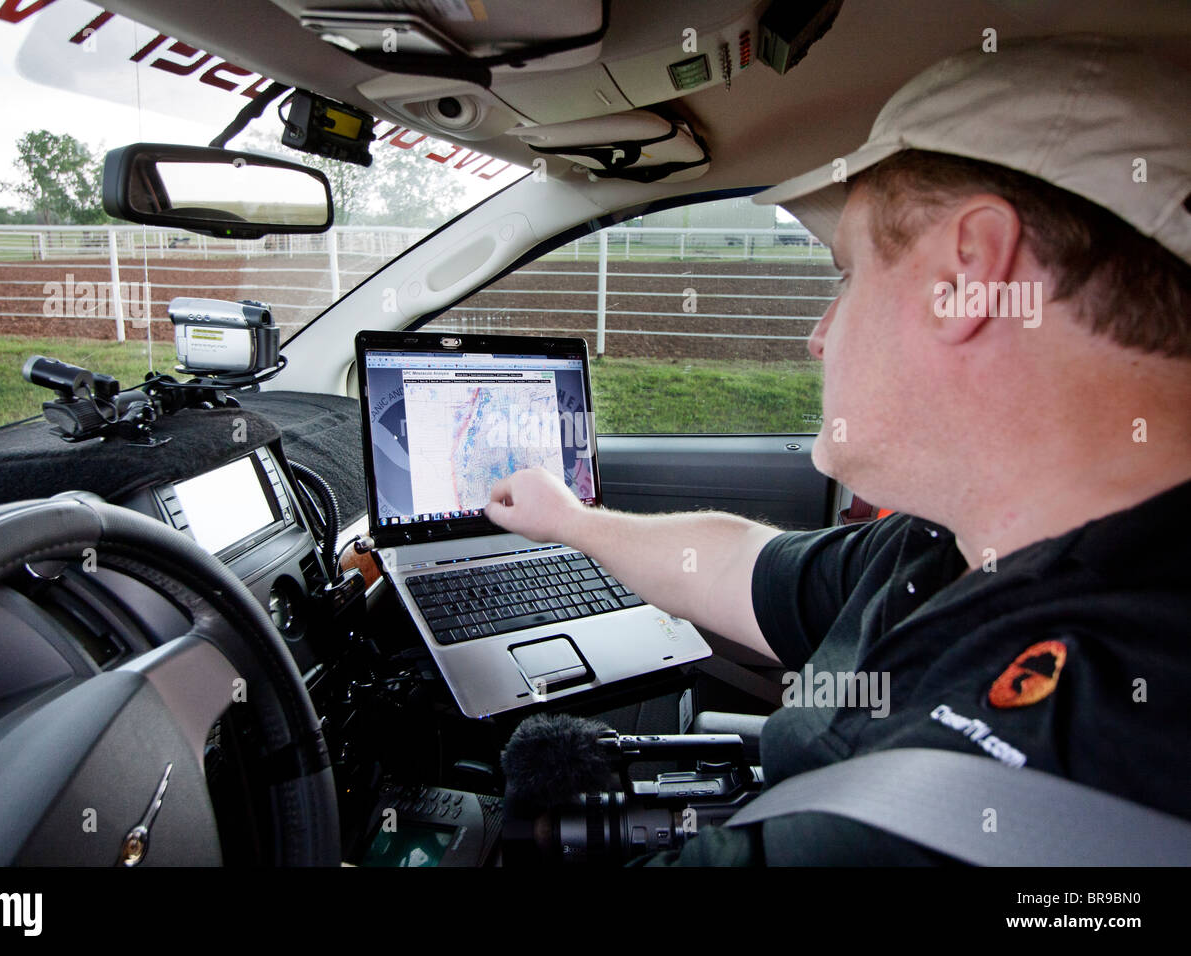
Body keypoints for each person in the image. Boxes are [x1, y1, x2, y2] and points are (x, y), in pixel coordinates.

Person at [484, 34, 1191, 864]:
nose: (820, 336)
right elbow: (741, 566)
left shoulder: (1083, 738)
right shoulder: (950, 545)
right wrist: (572, 522)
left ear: (967, 278)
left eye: (846, 274)